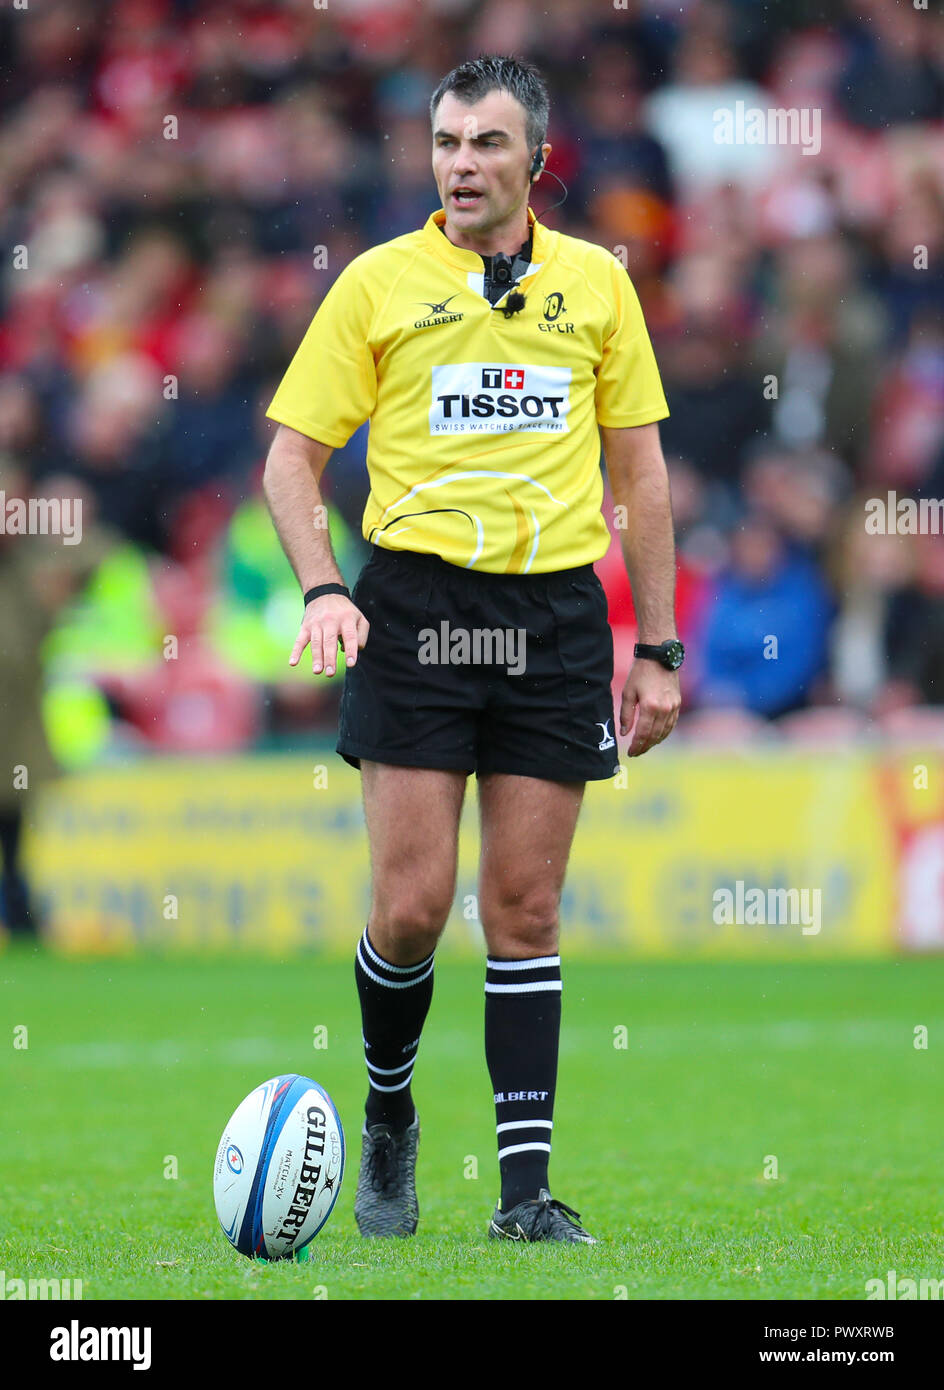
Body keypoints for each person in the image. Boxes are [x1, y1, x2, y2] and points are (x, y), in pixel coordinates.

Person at [263, 55, 682, 1244]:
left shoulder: (598, 285)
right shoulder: (377, 285)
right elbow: (291, 459)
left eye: (486, 144)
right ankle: (387, 1108)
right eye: (446, 142)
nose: (459, 163)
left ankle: (522, 1197)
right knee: (409, 907)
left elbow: (639, 471)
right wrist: (324, 586)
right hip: (412, 608)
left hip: (550, 614)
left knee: (525, 908)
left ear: (533, 158)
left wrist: (656, 646)